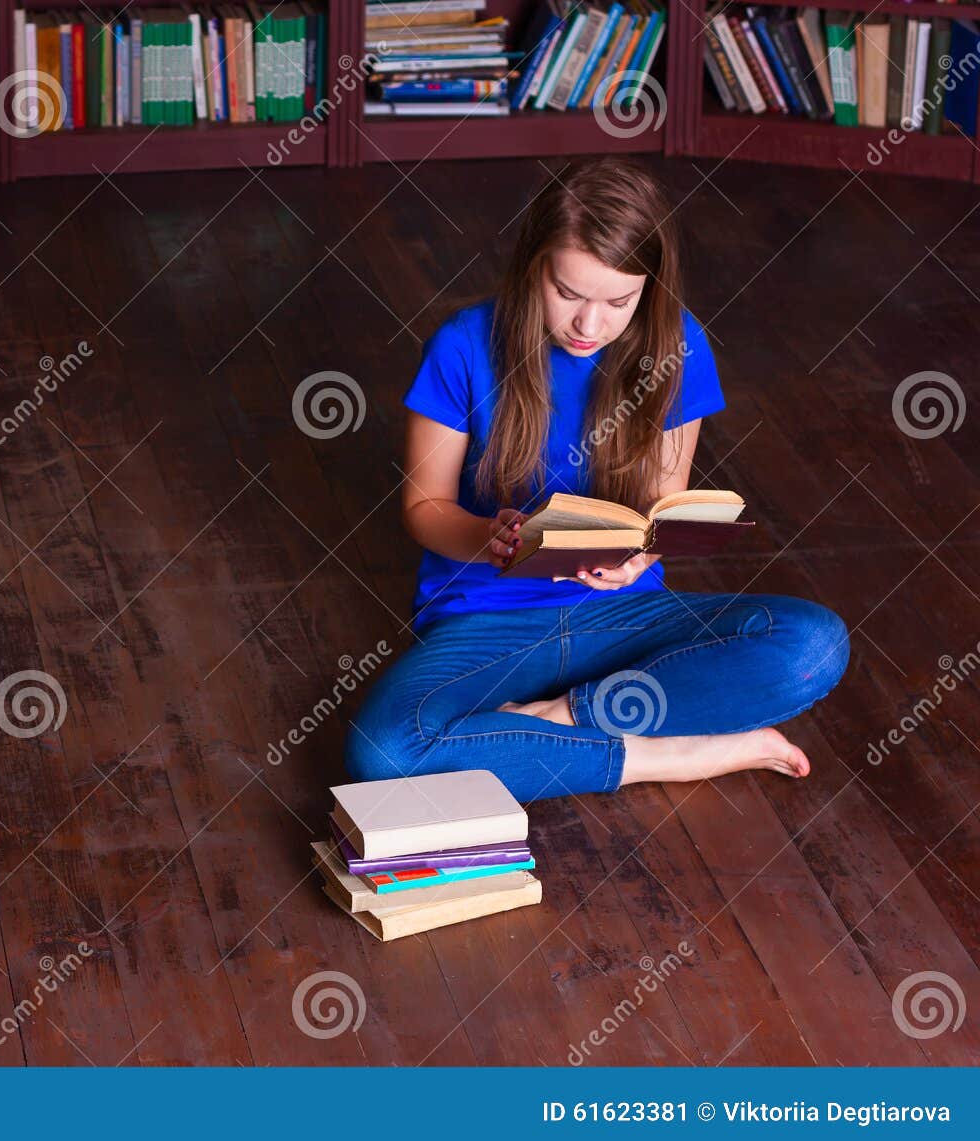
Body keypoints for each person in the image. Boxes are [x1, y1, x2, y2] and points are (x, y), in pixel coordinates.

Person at [344, 158, 849, 804]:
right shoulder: (463, 345)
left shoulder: (678, 346)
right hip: (485, 621)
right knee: (382, 752)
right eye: (569, 292)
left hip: (624, 616)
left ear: (650, 286)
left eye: (618, 301)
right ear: (533, 265)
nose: (590, 325)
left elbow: (665, 509)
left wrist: (644, 555)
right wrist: (487, 536)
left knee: (814, 644)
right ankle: (657, 753)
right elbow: (423, 507)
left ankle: (562, 721)